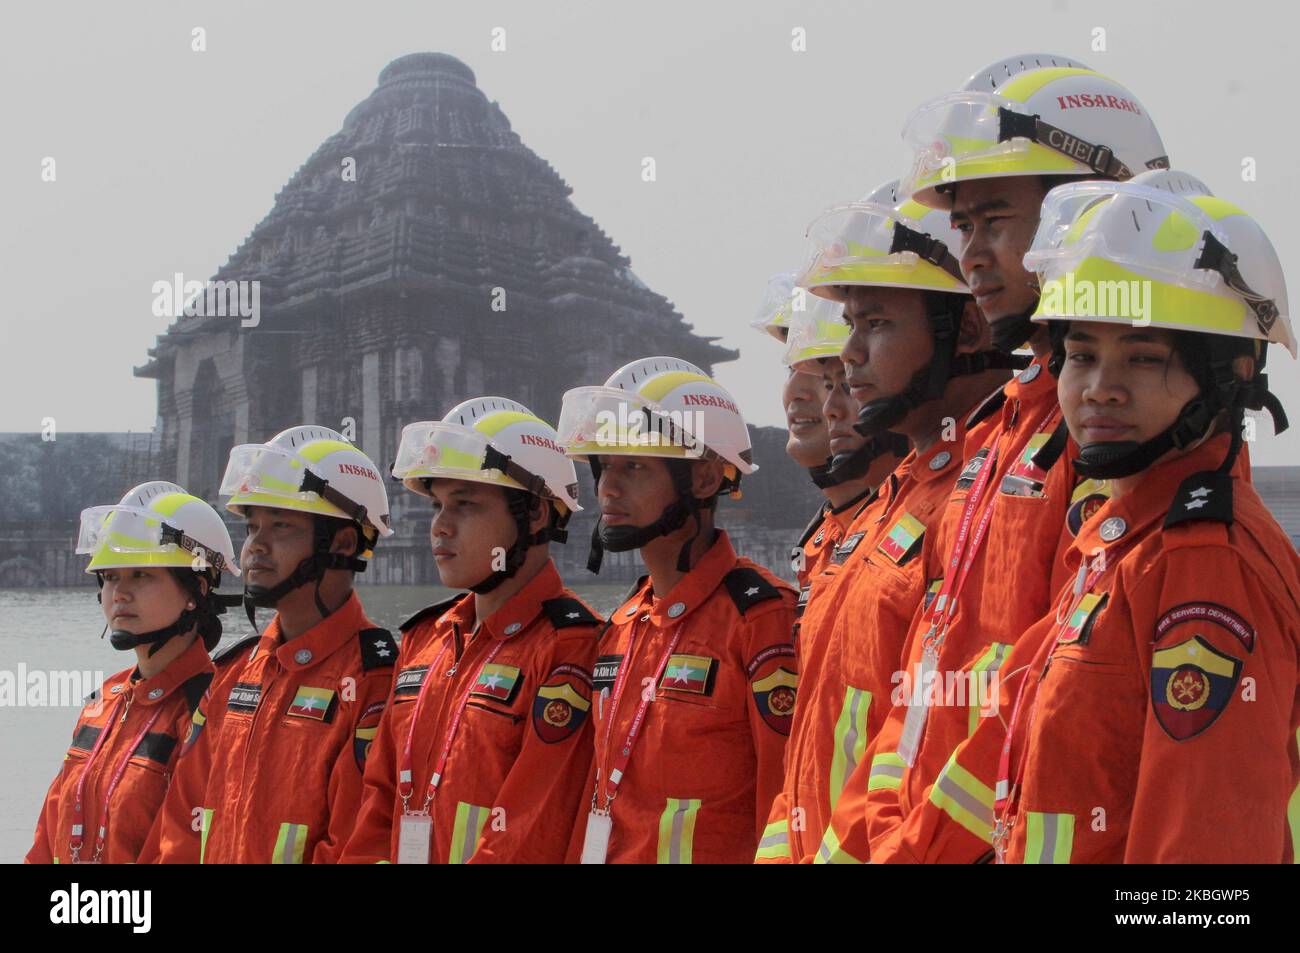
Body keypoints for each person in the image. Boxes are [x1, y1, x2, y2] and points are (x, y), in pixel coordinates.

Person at [878, 174, 1299, 863]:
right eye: (1080, 355)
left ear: (1232, 372)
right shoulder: (1115, 548)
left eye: (1141, 357)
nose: (1099, 386)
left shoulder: (1203, 564)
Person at [857, 57, 1175, 858]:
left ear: (1094, 211)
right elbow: (932, 673)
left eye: (994, 220)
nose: (969, 255)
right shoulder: (1001, 432)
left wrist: (912, 848)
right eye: (961, 226)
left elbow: (1040, 694)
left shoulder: (1117, 440)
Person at [557, 357, 797, 863]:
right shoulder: (622, 625)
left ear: (704, 480)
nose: (608, 488)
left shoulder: (762, 620)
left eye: (634, 467)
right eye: (604, 466)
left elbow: (786, 803)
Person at [342, 398, 601, 863]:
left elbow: (530, 832)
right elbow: (378, 802)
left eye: (465, 505)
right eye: (440, 504)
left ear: (535, 514)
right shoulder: (425, 640)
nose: (440, 526)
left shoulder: (572, 647)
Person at [148, 426, 396, 863]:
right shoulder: (232, 675)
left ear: (341, 543)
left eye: (280, 525)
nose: (255, 546)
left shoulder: (377, 681)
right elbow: (182, 826)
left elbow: (359, 844)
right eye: (252, 526)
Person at [27, 481, 238, 863]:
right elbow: (46, 839)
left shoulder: (212, 711)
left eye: (141, 575)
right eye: (109, 577)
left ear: (196, 590)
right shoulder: (103, 700)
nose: (119, 593)